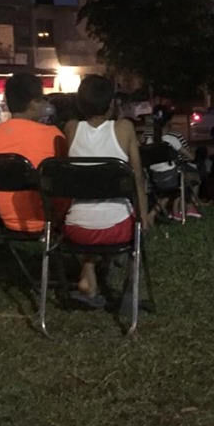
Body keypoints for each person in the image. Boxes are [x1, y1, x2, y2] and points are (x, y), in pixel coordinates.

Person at [62, 75, 151, 306]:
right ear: (112, 103)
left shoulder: (71, 129)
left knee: (91, 212)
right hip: (116, 229)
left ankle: (88, 274)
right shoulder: (124, 128)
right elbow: (138, 177)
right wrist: (143, 217)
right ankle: (130, 290)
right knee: (134, 229)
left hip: (76, 229)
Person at [0, 73, 68, 232]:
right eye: (42, 99)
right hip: (48, 218)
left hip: (7, 219)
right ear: (34, 103)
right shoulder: (54, 135)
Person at [142, 105, 202, 221]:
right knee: (195, 177)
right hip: (172, 178)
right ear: (169, 122)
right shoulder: (173, 139)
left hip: (155, 179)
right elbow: (191, 157)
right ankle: (189, 206)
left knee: (172, 185)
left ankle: (172, 210)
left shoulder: (149, 140)